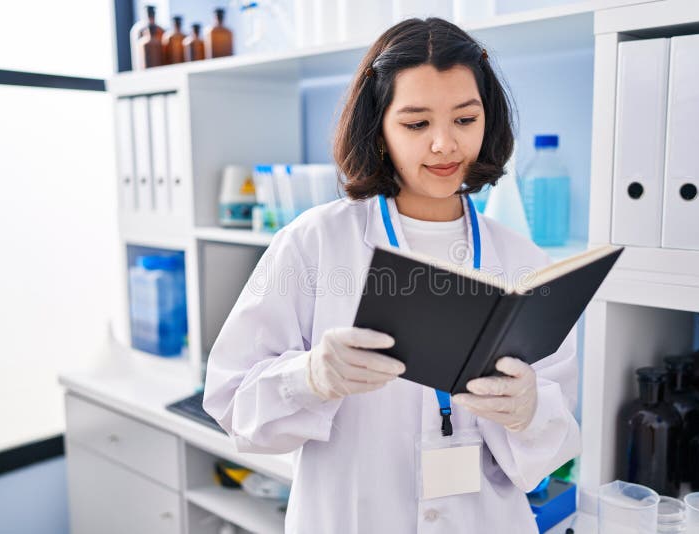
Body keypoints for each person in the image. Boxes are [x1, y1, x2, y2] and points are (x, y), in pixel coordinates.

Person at [203, 17, 581, 534]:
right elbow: (232, 405)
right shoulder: (313, 242)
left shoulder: (524, 261)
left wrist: (530, 410)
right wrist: (310, 376)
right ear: (378, 128)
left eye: (465, 120)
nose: (445, 145)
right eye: (417, 123)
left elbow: (547, 457)